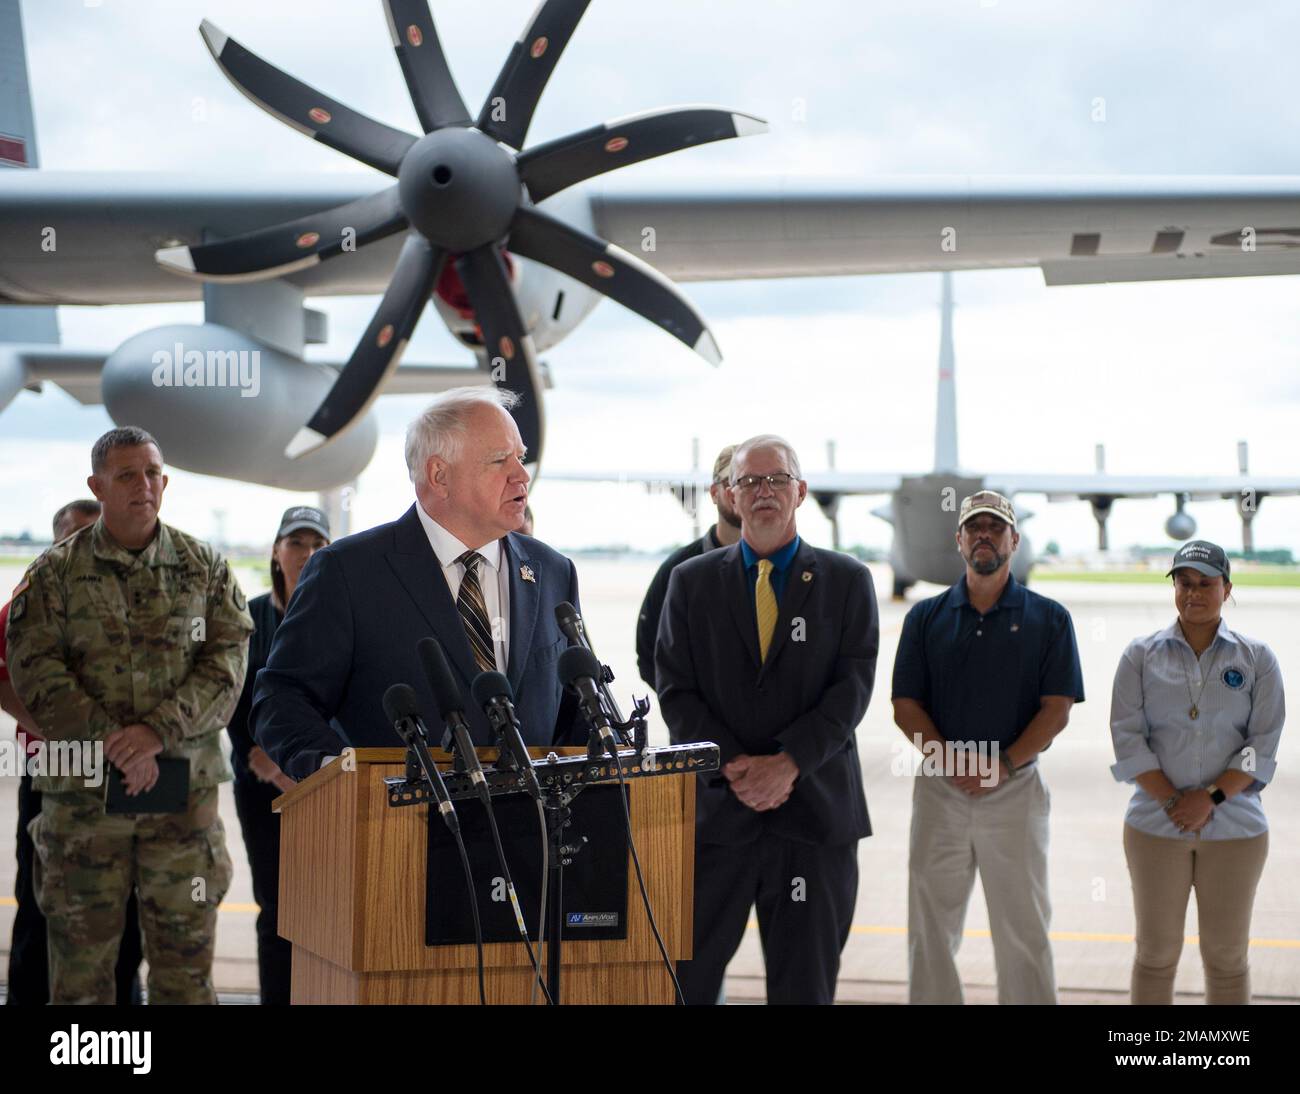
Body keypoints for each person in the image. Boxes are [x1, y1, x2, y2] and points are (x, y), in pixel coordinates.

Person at [6, 426, 252, 1004]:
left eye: (152, 474)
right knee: (80, 973)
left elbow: (227, 664)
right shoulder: (52, 577)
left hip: (183, 807)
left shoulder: (206, 569)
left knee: (185, 972)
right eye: (126, 475)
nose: (144, 486)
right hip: (83, 804)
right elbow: (34, 671)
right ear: (97, 485)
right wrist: (114, 742)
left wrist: (155, 734)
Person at [252, 387, 584, 778]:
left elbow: (578, 704)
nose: (522, 475)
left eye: (520, 457)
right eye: (499, 460)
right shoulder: (347, 573)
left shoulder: (552, 571)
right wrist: (338, 775)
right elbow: (283, 699)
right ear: (439, 475)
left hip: (532, 829)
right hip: (403, 828)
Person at [656, 434, 879, 1005]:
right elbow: (676, 690)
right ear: (729, 494)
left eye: (776, 479)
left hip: (813, 819)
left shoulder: (848, 580)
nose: (763, 492)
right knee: (688, 985)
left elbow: (851, 690)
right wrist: (735, 766)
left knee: (804, 989)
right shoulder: (691, 581)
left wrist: (788, 764)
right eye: (749, 481)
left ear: (800, 491)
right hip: (717, 819)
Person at [892, 489, 1083, 1005]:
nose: (984, 536)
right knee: (930, 929)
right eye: (974, 528)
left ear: (1014, 540)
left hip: (1015, 786)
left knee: (1024, 925)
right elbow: (905, 705)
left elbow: (1057, 707)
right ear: (959, 541)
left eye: (995, 528)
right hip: (940, 787)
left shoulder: (1050, 618)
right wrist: (950, 761)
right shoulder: (925, 618)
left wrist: (1001, 764)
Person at [1110, 540, 1283, 1005]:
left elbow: (1261, 746)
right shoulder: (1140, 655)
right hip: (1154, 825)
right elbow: (1127, 738)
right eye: (1184, 583)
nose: (1193, 593)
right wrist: (1173, 800)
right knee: (1155, 954)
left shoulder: (1257, 658)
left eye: (1206, 583)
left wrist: (1208, 799)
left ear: (1227, 589)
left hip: (1236, 829)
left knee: (1227, 958)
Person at [2, 500, 144, 1005]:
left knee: (126, 908)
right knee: (41, 907)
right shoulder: (33, 593)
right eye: (72, 536)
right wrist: (61, 731)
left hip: (123, 777)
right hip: (54, 772)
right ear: (55, 542)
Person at [225, 506, 329, 1005]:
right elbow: (231, 697)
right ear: (276, 551)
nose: (307, 554)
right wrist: (260, 757)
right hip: (261, 783)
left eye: (318, 545)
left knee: (326, 909)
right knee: (278, 908)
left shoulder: (342, 616)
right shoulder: (248, 617)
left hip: (326, 785)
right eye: (296, 543)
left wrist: (309, 768)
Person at [635, 444, 739, 690]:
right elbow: (649, 652)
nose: (742, 491)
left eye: (754, 482)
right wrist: (687, 713)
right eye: (732, 482)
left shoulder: (784, 567)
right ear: (714, 492)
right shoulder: (678, 569)